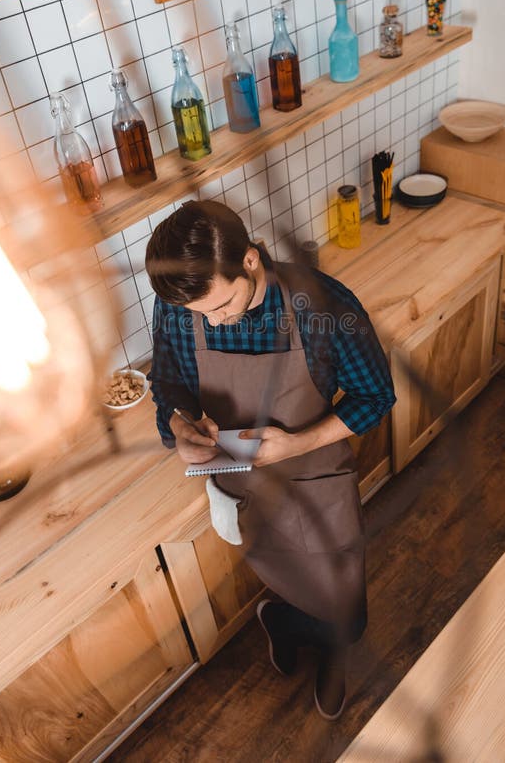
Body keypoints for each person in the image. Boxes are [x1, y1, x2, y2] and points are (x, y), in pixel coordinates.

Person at [145, 200, 395, 720]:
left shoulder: (323, 306)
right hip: (241, 485)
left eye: (223, 304)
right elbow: (168, 384)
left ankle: (304, 633)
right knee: (287, 577)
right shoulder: (179, 302)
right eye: (202, 315)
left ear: (251, 261)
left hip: (315, 479)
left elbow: (376, 397)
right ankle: (289, 623)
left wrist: (296, 443)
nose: (214, 320)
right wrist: (179, 427)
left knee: (348, 612)